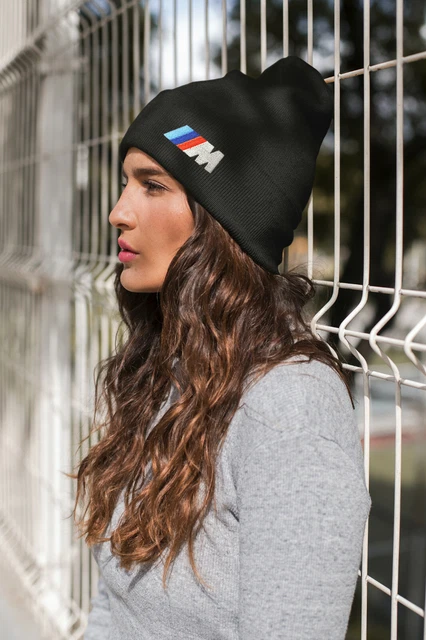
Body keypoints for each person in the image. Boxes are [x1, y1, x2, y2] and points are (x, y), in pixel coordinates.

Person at [71, 54, 372, 640]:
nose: (118, 212)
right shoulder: (166, 368)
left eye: (152, 185)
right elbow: (115, 603)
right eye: (126, 182)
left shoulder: (291, 408)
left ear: (222, 222)